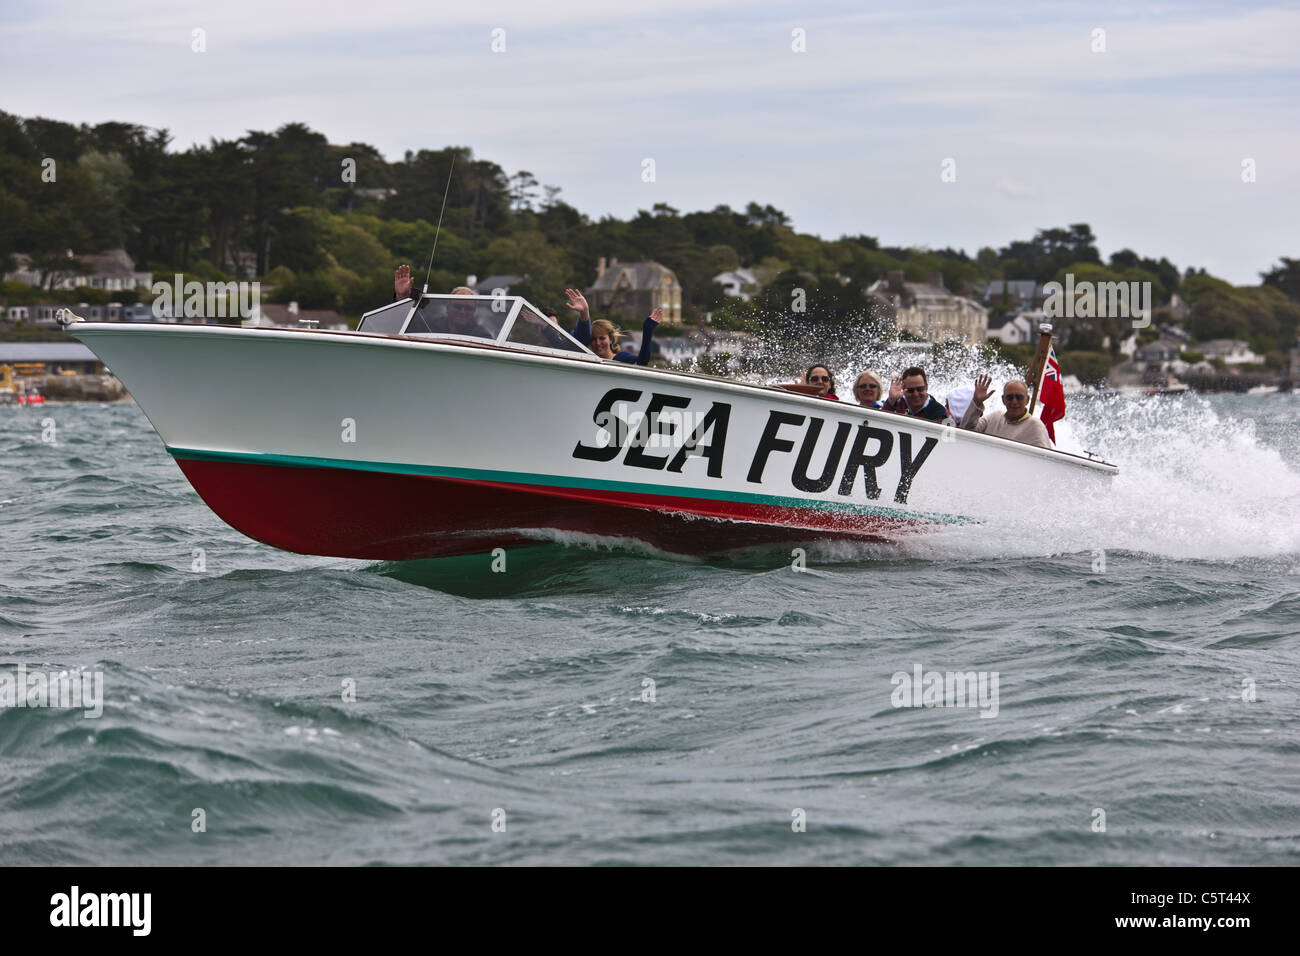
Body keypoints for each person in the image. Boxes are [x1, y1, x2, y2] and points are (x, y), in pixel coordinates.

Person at [564, 288, 660, 365]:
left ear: (611, 339)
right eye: (593, 339)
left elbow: (642, 363)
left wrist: (647, 332)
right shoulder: (587, 361)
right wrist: (583, 312)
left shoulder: (622, 358)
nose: (598, 343)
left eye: (602, 338)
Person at [959, 375, 1054, 448]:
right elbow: (965, 431)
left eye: (1019, 397)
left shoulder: (1036, 426)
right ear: (1003, 400)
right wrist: (977, 402)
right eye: (1009, 397)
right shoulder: (994, 418)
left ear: (1027, 400)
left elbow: (1045, 461)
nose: (1014, 402)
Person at [882, 366, 947, 421]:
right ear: (903, 389)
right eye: (910, 390)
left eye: (920, 389)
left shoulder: (938, 411)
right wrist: (891, 400)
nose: (916, 394)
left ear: (926, 387)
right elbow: (881, 422)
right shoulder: (896, 404)